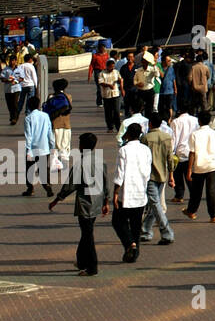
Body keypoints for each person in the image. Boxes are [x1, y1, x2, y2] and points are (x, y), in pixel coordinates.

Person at [49, 132, 104, 276]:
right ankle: (81, 262)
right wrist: (107, 200)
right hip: (97, 203)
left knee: (88, 236)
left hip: (85, 204)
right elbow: (104, 182)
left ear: (82, 146)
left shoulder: (81, 164)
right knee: (86, 233)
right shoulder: (99, 160)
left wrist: (57, 199)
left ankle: (92, 267)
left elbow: (70, 185)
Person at [107, 122, 152, 263]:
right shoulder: (146, 150)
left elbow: (120, 174)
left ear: (128, 134)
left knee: (117, 221)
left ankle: (129, 244)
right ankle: (134, 253)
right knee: (136, 225)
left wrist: (115, 193)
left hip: (126, 193)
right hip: (140, 192)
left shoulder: (124, 150)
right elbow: (148, 171)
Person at [139, 113, 176, 246]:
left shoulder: (145, 138)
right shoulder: (167, 137)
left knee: (155, 204)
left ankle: (167, 232)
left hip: (150, 176)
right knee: (154, 204)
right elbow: (170, 159)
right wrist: (171, 176)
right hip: (162, 175)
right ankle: (145, 231)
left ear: (150, 124)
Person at [184, 111, 215, 223]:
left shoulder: (195, 134)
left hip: (199, 166)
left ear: (199, 121)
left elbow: (192, 152)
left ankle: (191, 211)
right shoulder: (214, 133)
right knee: (212, 191)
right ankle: (214, 216)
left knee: (196, 191)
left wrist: (189, 169)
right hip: (212, 166)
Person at [22, 99, 55, 197]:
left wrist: (28, 150)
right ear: (38, 105)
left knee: (29, 169)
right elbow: (50, 132)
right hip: (44, 148)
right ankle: (47, 186)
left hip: (32, 149)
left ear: (28, 106)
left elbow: (29, 136)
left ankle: (30, 188)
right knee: (43, 169)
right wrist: (52, 146)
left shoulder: (28, 118)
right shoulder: (45, 116)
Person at [169, 108, 198, 203]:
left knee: (178, 175)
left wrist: (171, 152)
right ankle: (193, 195)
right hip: (191, 151)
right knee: (189, 175)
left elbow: (173, 138)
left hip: (179, 152)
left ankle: (179, 195)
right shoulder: (195, 120)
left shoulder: (175, 122)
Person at [45, 78, 73, 169]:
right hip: (66, 125)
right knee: (65, 146)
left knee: (54, 147)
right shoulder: (68, 96)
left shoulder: (51, 97)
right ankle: (64, 163)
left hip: (54, 125)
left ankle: (54, 165)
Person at [157, 54, 176, 123]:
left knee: (169, 106)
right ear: (163, 61)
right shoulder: (159, 67)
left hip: (169, 90)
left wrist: (175, 88)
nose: (169, 62)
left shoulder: (171, 68)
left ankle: (169, 120)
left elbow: (173, 79)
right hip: (161, 91)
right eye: (168, 61)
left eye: (170, 61)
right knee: (161, 107)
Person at [4, 53, 21, 125]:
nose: (12, 62)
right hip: (8, 89)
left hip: (16, 89)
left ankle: (15, 118)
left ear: (16, 61)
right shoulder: (6, 69)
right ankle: (12, 117)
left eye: (13, 60)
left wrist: (16, 81)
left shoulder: (19, 69)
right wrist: (8, 80)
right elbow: (2, 78)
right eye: (11, 60)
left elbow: (22, 78)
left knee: (15, 104)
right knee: (9, 104)